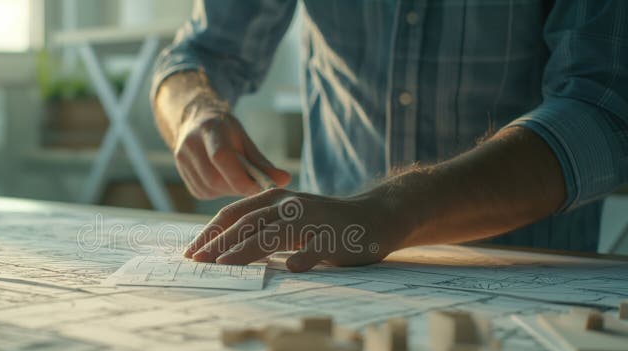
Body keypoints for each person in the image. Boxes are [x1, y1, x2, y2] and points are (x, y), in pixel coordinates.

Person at [151, 0, 628, 272]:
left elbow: (603, 111)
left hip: (529, 273)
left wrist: (389, 210)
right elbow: (197, 54)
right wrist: (193, 109)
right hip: (326, 270)